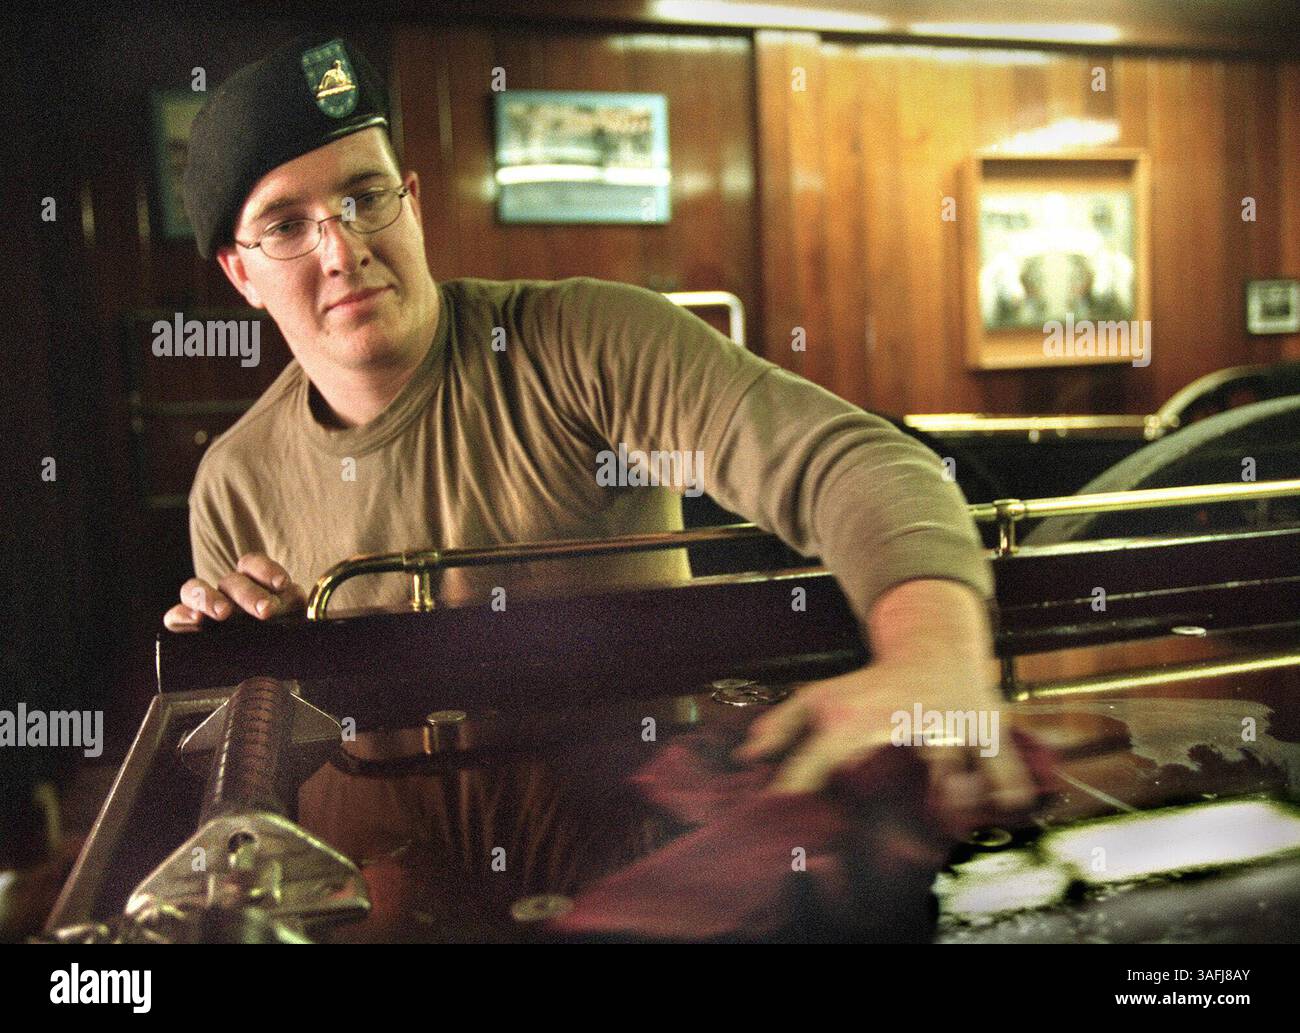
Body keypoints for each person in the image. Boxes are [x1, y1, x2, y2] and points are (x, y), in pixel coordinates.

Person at [166, 34, 1033, 835]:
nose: (342, 247)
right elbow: (251, 798)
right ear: (241, 272)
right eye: (287, 225)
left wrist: (933, 661)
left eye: (365, 196)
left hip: (649, 883)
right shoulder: (233, 482)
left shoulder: (583, 344)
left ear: (415, 204)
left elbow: (853, 463)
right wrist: (266, 658)